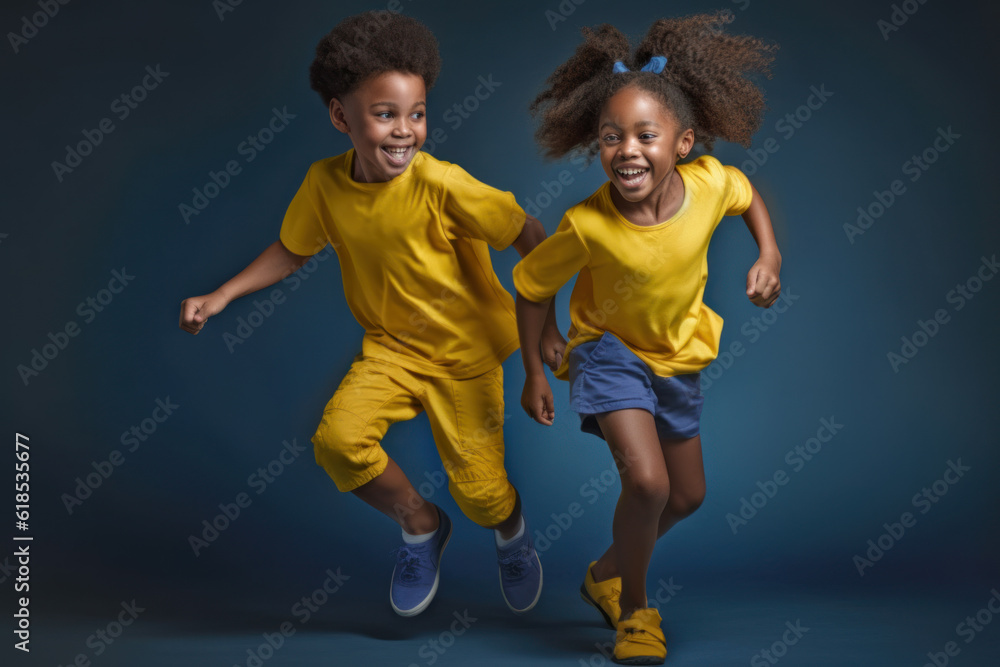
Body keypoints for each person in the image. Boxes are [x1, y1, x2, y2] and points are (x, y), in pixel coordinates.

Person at [179, 10, 562, 619]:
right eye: (385, 115)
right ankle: (420, 526)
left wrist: (550, 333)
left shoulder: (443, 185)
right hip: (391, 350)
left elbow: (530, 233)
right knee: (337, 443)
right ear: (342, 118)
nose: (405, 131)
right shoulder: (324, 185)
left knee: (485, 498)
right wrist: (222, 295)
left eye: (417, 114)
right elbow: (292, 249)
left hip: (465, 360)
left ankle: (511, 535)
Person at [513, 12, 781, 664]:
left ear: (683, 143)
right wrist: (536, 364)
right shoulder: (587, 224)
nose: (626, 149)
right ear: (596, 146)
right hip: (608, 353)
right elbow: (529, 284)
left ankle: (605, 571)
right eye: (611, 137)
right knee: (650, 486)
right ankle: (635, 611)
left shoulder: (711, 184)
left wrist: (768, 253)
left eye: (644, 134)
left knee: (688, 495)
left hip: (676, 356)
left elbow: (747, 197)